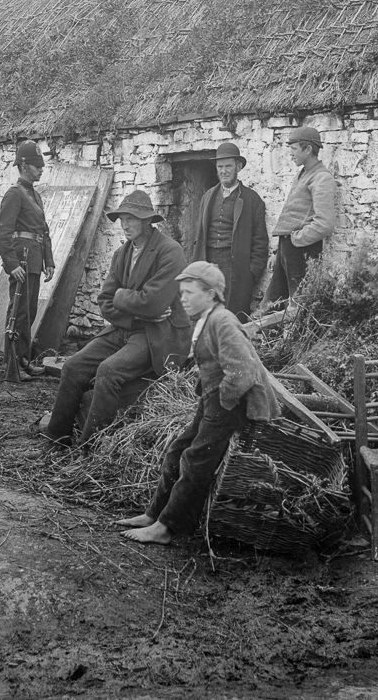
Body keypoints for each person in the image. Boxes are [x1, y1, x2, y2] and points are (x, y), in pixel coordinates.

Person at [118, 261, 280, 545]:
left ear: (211, 294)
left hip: (231, 404)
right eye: (182, 292)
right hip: (213, 399)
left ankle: (166, 528)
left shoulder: (223, 321)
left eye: (189, 293)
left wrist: (222, 402)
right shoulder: (207, 318)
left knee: (195, 461)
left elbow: (243, 372)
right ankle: (154, 514)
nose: (183, 298)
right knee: (177, 450)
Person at [45, 190, 191, 446]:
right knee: (72, 366)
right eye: (122, 218)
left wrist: (122, 297)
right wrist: (135, 311)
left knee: (108, 371)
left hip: (157, 335)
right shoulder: (121, 254)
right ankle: (57, 439)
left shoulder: (170, 251)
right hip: (129, 327)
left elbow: (153, 302)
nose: (125, 224)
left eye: (131, 218)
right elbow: (105, 302)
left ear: (148, 220)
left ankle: (89, 447)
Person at [0, 140, 54, 380]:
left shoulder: (35, 195)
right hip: (22, 261)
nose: (41, 169)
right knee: (17, 311)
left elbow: (43, 231)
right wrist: (12, 264)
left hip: (35, 260)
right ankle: (12, 363)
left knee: (29, 311)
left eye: (42, 165)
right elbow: (2, 232)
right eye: (37, 165)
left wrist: (48, 260)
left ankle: (23, 358)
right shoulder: (14, 194)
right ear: (24, 165)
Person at [190, 141, 269, 321]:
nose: (223, 171)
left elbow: (260, 242)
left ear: (238, 167)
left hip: (235, 266)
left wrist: (251, 274)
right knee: (206, 312)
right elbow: (198, 236)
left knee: (232, 316)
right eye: (220, 167)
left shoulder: (252, 200)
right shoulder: (208, 196)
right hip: (208, 261)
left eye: (228, 166)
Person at [263, 126, 337, 310]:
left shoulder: (321, 178)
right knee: (272, 304)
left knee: (299, 307)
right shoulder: (302, 174)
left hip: (303, 251)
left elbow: (325, 223)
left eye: (294, 149)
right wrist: (279, 251)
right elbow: (293, 215)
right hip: (288, 248)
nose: (290, 154)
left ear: (308, 149)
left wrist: (296, 240)